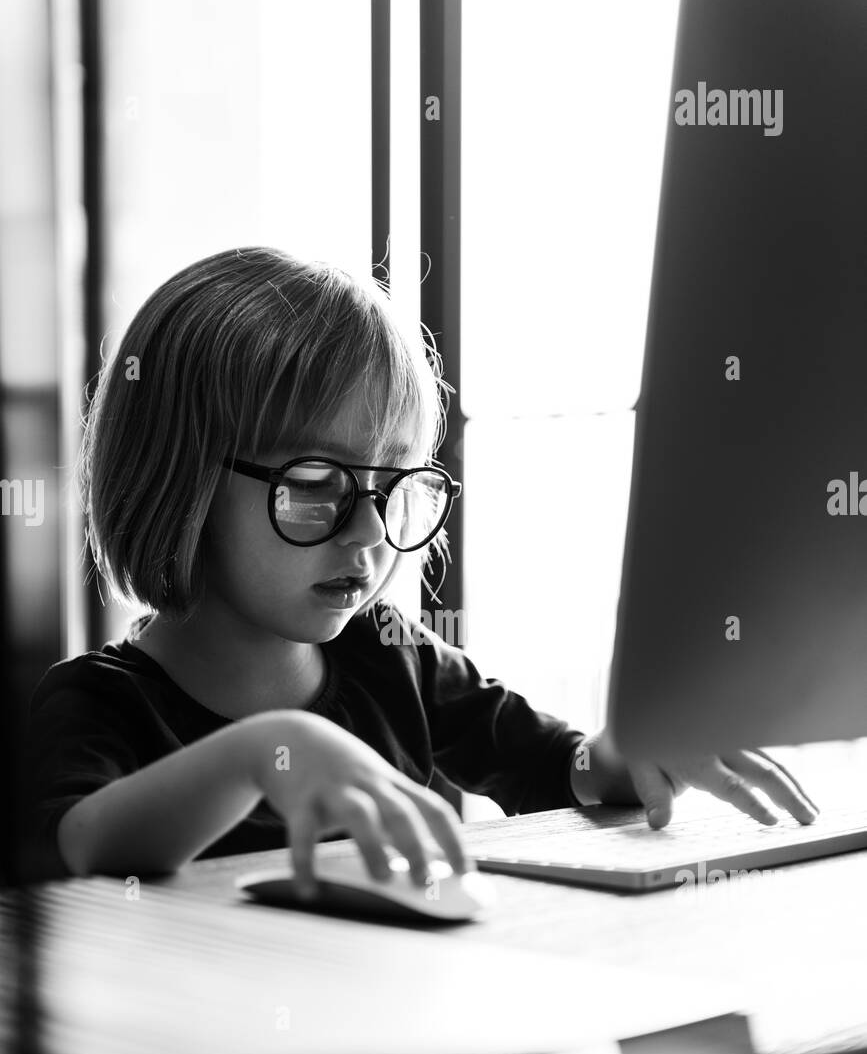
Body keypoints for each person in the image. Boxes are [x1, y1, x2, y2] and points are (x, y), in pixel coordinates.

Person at [25, 248, 817, 890]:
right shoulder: (97, 704)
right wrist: (266, 753)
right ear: (178, 477)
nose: (369, 532)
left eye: (393, 488)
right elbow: (89, 846)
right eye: (313, 488)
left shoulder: (389, 656)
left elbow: (552, 767)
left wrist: (629, 753)